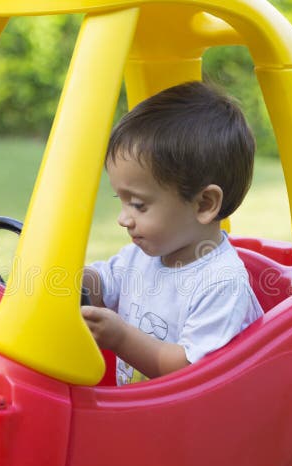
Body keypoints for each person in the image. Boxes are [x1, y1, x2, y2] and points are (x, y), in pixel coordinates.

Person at [81, 81, 263, 385]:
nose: (123, 219)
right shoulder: (143, 255)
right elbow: (103, 284)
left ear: (204, 203)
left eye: (138, 205)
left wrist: (121, 338)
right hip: (146, 415)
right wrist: (75, 281)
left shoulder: (221, 283)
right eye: (121, 201)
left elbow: (191, 373)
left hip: (202, 425)